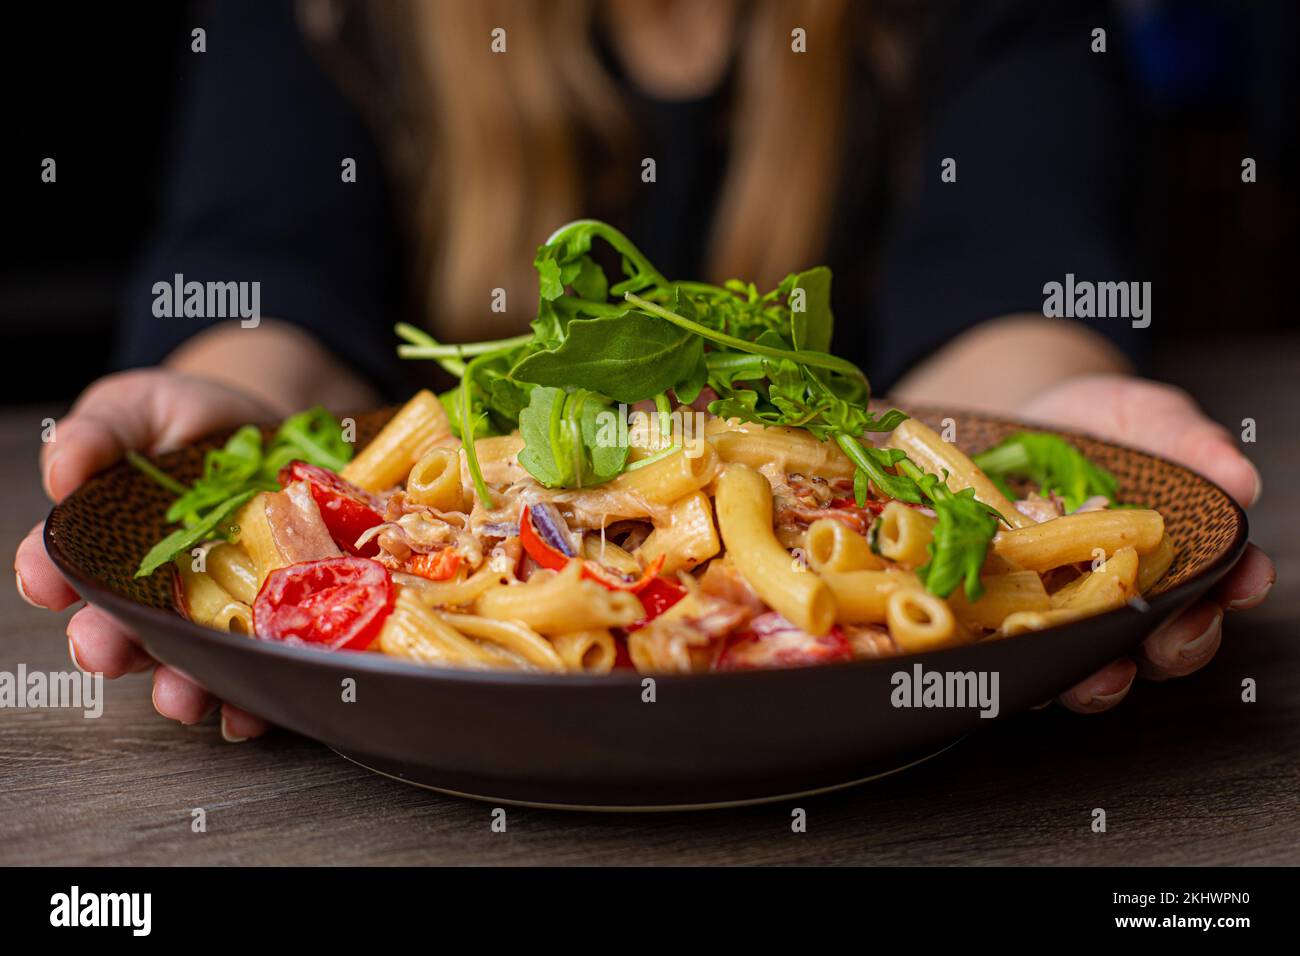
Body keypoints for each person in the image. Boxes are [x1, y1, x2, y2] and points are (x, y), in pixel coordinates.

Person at [14, 0, 1273, 742]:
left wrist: (1039, 410)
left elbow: (1007, 270)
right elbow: (262, 258)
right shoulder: (332, 19)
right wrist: (230, 390)